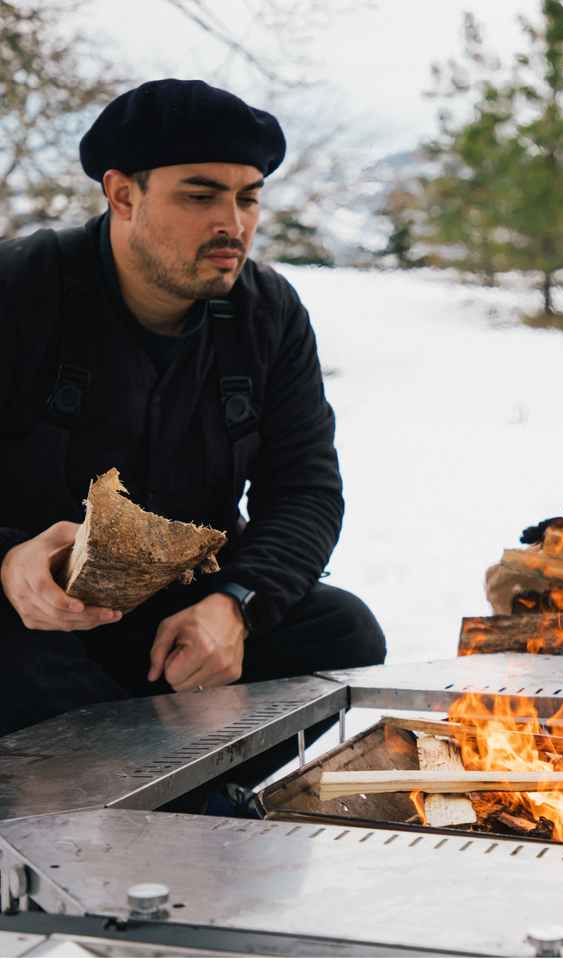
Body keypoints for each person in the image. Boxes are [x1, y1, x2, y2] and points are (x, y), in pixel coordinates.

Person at [0, 79, 385, 742]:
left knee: (342, 630)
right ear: (122, 193)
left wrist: (233, 605)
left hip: (170, 628)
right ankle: (158, 795)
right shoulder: (18, 292)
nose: (233, 224)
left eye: (248, 197)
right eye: (201, 195)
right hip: (30, 623)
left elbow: (305, 489)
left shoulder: (269, 315)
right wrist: (9, 563)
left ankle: (165, 787)